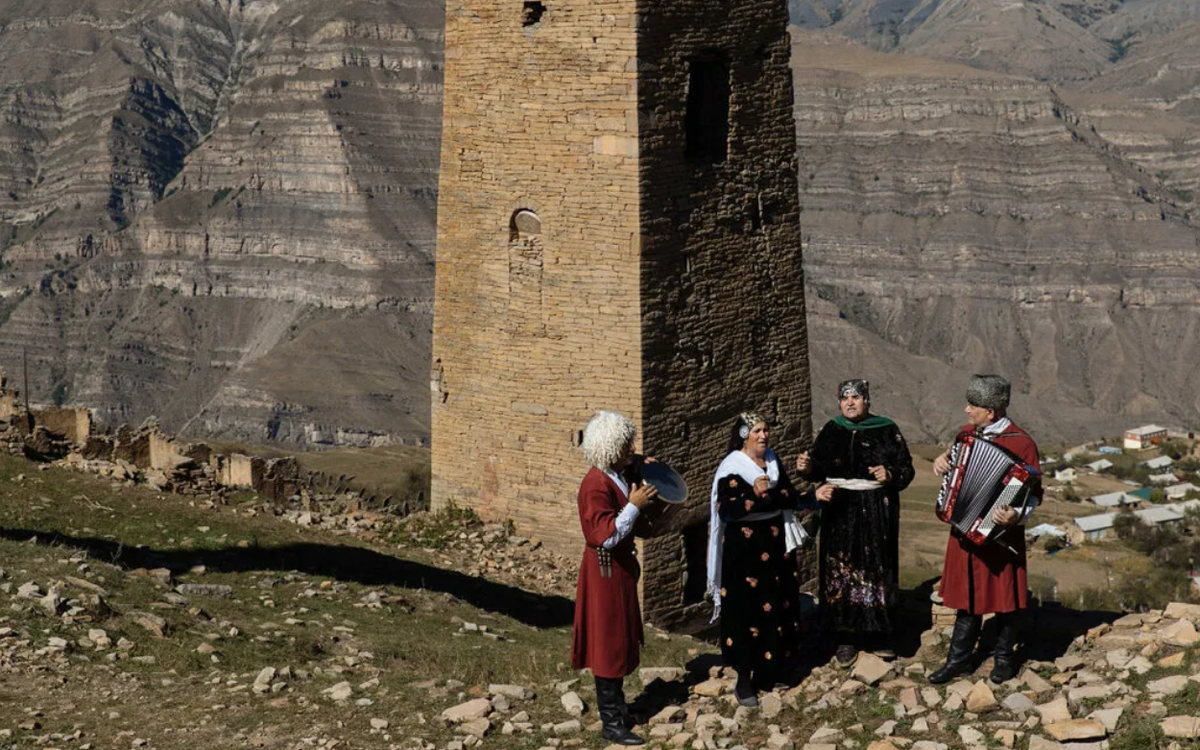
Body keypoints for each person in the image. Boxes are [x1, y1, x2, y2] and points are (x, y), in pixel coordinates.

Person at [929, 375, 1041, 685]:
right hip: (965, 531)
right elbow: (953, 470)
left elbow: (1033, 493)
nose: (966, 410)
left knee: (1006, 598)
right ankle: (958, 660)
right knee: (968, 597)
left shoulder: (1022, 443)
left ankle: (1004, 659)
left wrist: (1014, 515)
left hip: (1002, 533)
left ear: (991, 411)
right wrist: (941, 461)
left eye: (973, 405)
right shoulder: (966, 435)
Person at [795, 379, 915, 665]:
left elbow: (906, 469)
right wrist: (808, 468)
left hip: (875, 509)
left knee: (876, 565)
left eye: (856, 397)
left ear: (867, 401)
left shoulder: (886, 430)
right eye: (845, 398)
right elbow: (818, 469)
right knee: (840, 568)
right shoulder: (832, 430)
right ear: (838, 402)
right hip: (838, 511)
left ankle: (878, 633)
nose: (850, 402)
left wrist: (890, 475)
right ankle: (844, 636)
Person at [708, 412, 817, 707]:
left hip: (774, 542)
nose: (763, 435)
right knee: (746, 608)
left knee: (777, 600)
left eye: (766, 429)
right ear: (744, 434)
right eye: (756, 430)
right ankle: (745, 680)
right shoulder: (732, 468)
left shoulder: (772, 460)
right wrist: (761, 496)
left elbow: (788, 494)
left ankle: (771, 668)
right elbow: (728, 509)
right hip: (743, 550)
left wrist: (813, 497)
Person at [570, 410, 658, 745]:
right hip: (604, 571)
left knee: (620, 636)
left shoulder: (618, 471)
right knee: (608, 643)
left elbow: (633, 463)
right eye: (625, 444)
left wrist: (640, 462)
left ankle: (619, 710)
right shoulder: (594, 485)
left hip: (619, 570)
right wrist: (634, 506)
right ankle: (611, 723)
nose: (630, 448)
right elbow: (602, 535)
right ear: (609, 447)